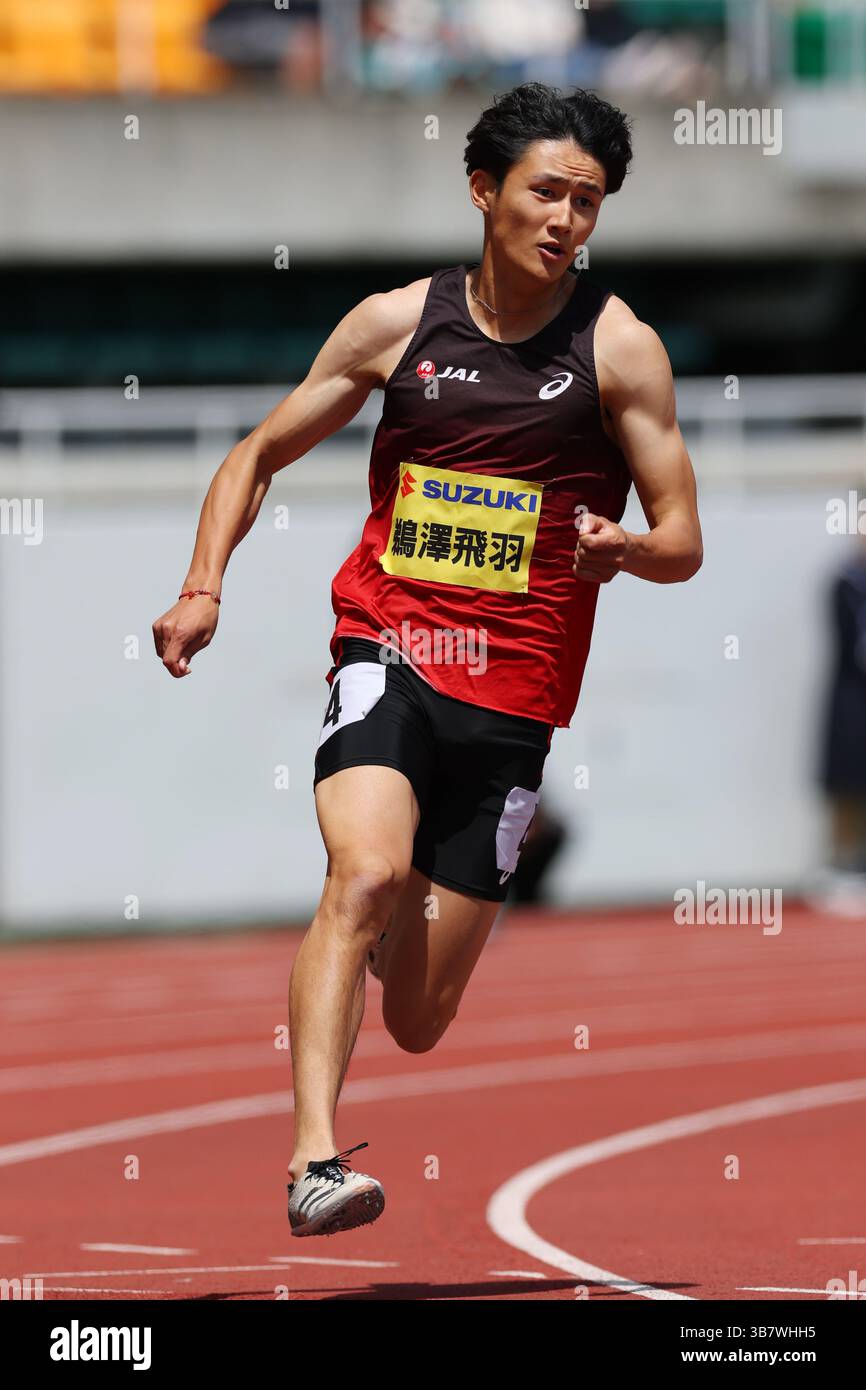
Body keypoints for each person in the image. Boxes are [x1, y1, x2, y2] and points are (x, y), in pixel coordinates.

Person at [152, 82, 703, 1239]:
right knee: (360, 875)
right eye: (545, 192)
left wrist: (625, 549)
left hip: (514, 700)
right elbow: (255, 454)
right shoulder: (395, 326)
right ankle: (312, 1160)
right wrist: (203, 586)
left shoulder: (617, 348)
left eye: (587, 202)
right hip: (389, 645)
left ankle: (394, 924)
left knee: (417, 1018)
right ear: (483, 191)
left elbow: (681, 540)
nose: (564, 219)